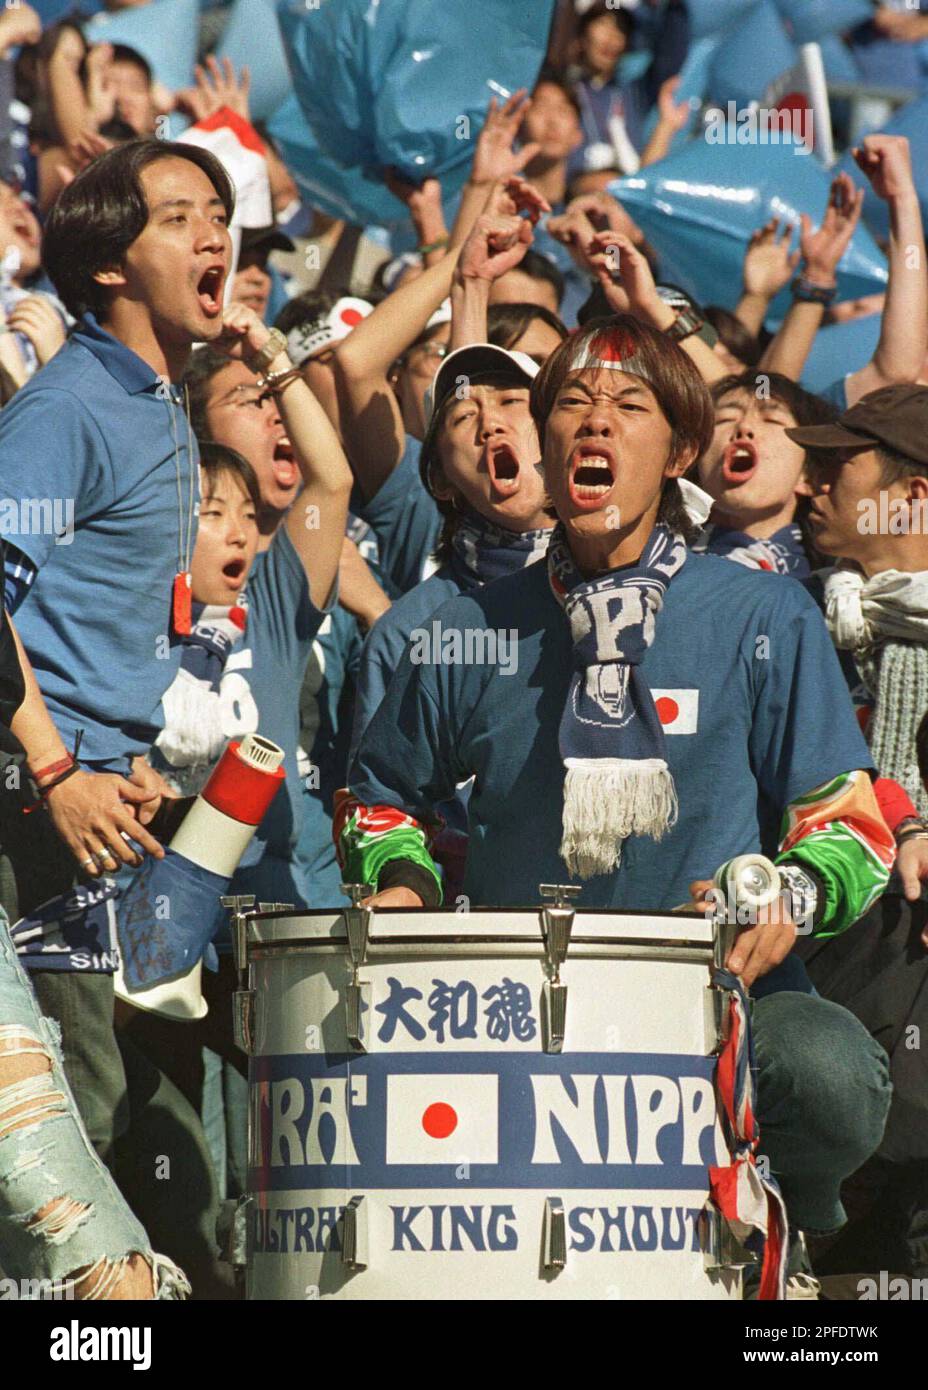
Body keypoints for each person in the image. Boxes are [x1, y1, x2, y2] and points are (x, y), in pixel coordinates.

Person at [339, 314, 894, 1258]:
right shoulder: (469, 629)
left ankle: (777, 1233)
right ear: (547, 442)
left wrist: (785, 894)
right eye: (572, 403)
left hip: (718, 1001)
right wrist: (405, 882)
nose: (596, 421)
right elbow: (379, 799)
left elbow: (852, 827)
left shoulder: (763, 614)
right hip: (516, 1013)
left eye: (629, 406)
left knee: (829, 1072)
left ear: (678, 452)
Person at [0, 136, 234, 1162]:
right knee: (67, 1121)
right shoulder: (68, 407)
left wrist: (125, 757)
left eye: (219, 215)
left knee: (126, 1127)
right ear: (107, 263)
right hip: (34, 805)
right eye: (179, 218)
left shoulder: (159, 399)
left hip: (102, 805)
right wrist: (57, 768)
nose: (214, 235)